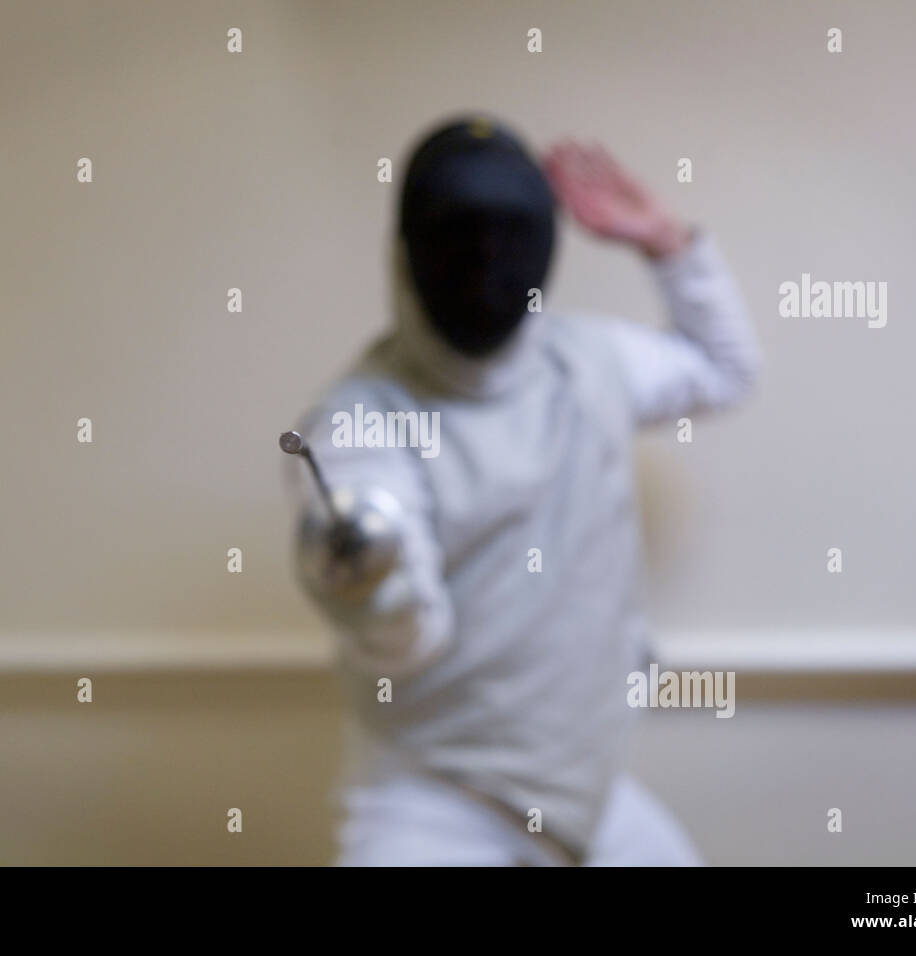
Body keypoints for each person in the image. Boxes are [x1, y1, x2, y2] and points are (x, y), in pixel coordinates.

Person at [283, 115, 760, 865]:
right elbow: (411, 643)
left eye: (509, 231)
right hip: (434, 798)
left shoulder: (588, 364)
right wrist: (374, 585)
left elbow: (724, 369)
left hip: (585, 789)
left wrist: (666, 242)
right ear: (411, 252)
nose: (485, 258)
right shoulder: (358, 422)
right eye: (458, 234)